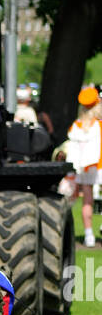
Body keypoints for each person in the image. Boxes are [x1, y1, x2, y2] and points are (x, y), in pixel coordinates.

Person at [65, 87, 101, 248]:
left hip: (84, 168)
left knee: (87, 201)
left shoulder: (76, 126)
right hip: (98, 165)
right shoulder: (98, 125)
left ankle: (89, 235)